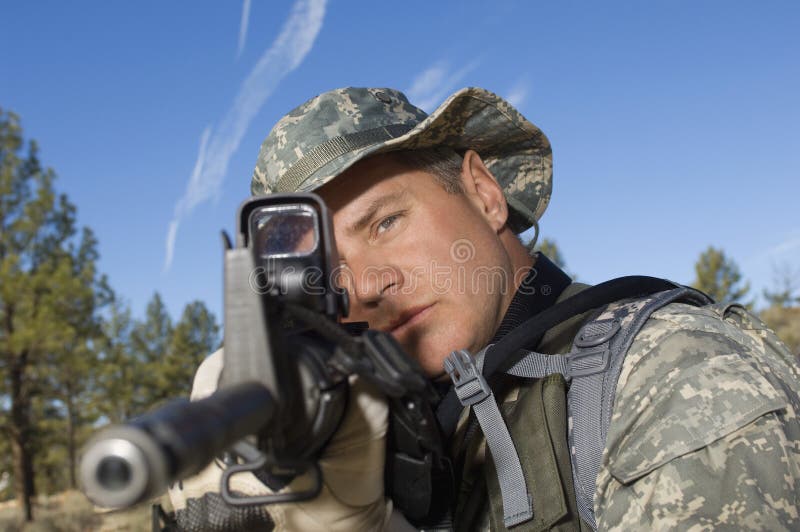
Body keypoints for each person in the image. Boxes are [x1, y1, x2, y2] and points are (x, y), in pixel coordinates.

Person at [167, 87, 800, 530]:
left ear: (483, 192)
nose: (366, 285)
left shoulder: (671, 374)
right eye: (328, 271)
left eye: (385, 222)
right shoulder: (380, 430)